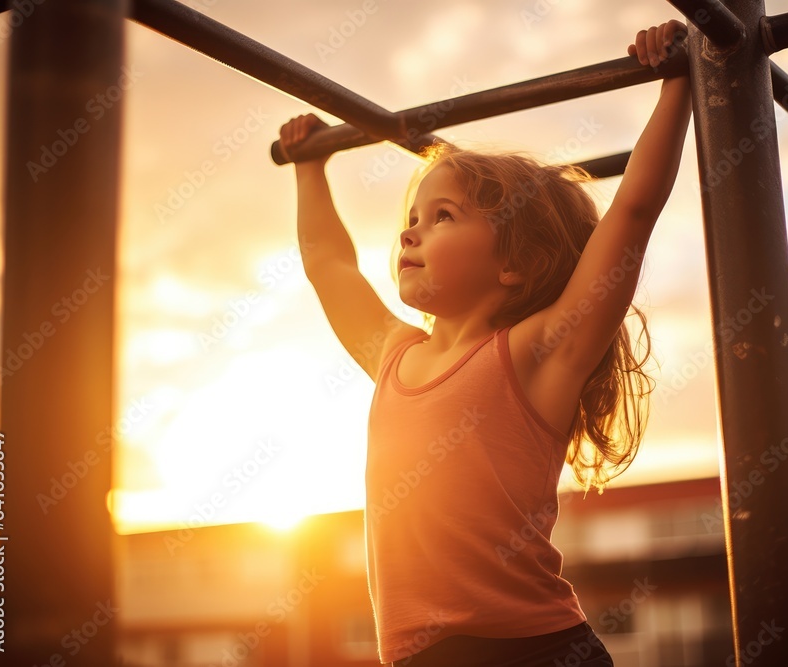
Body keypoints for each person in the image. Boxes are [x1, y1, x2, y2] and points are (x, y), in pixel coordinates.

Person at [278, 20, 692, 667]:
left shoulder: (536, 353)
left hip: (532, 649)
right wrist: (309, 169)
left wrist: (676, 83)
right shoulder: (395, 353)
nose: (411, 234)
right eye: (413, 218)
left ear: (515, 264)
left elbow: (632, 215)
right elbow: (329, 265)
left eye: (443, 218)